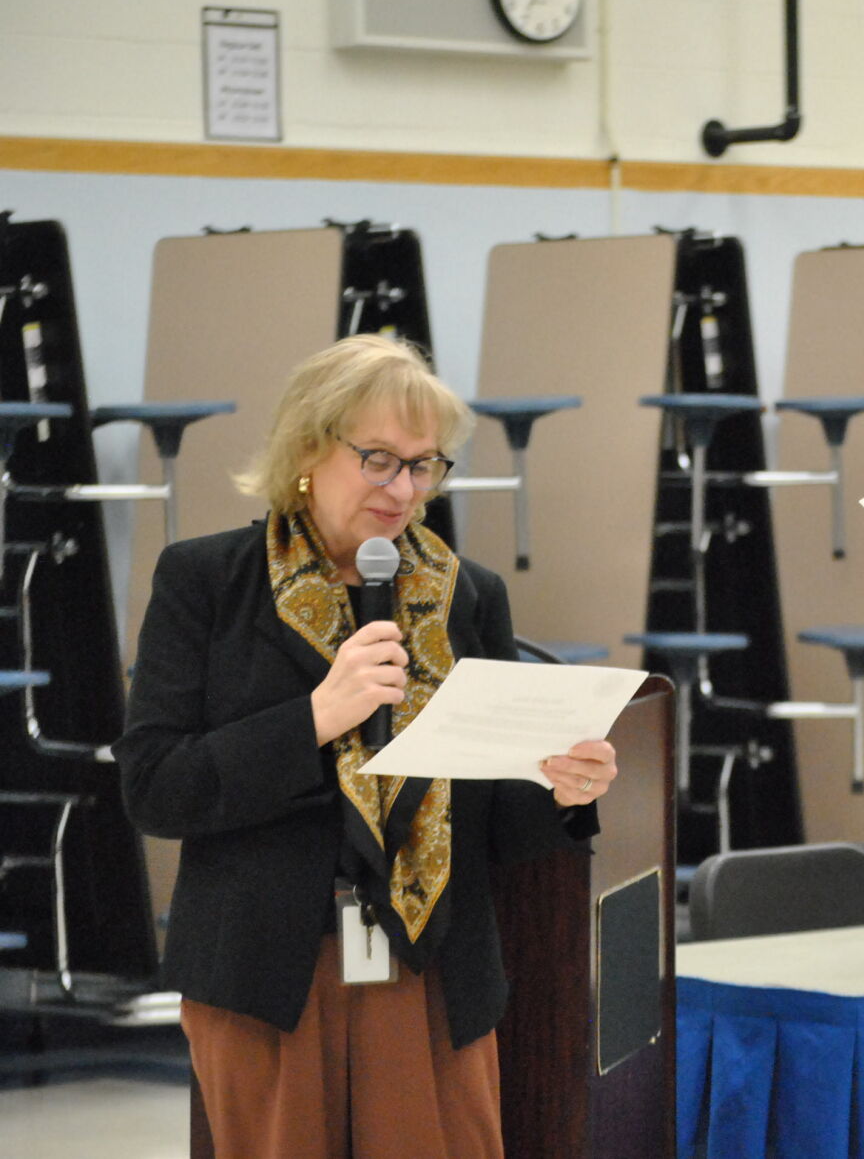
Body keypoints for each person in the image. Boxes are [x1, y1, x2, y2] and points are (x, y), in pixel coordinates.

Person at [115, 334, 618, 1159]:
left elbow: (490, 817)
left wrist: (563, 791)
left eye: (425, 465)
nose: (403, 488)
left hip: (429, 971)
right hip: (268, 973)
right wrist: (313, 716)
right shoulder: (206, 580)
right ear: (309, 447)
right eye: (379, 458)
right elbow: (154, 786)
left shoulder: (467, 595)